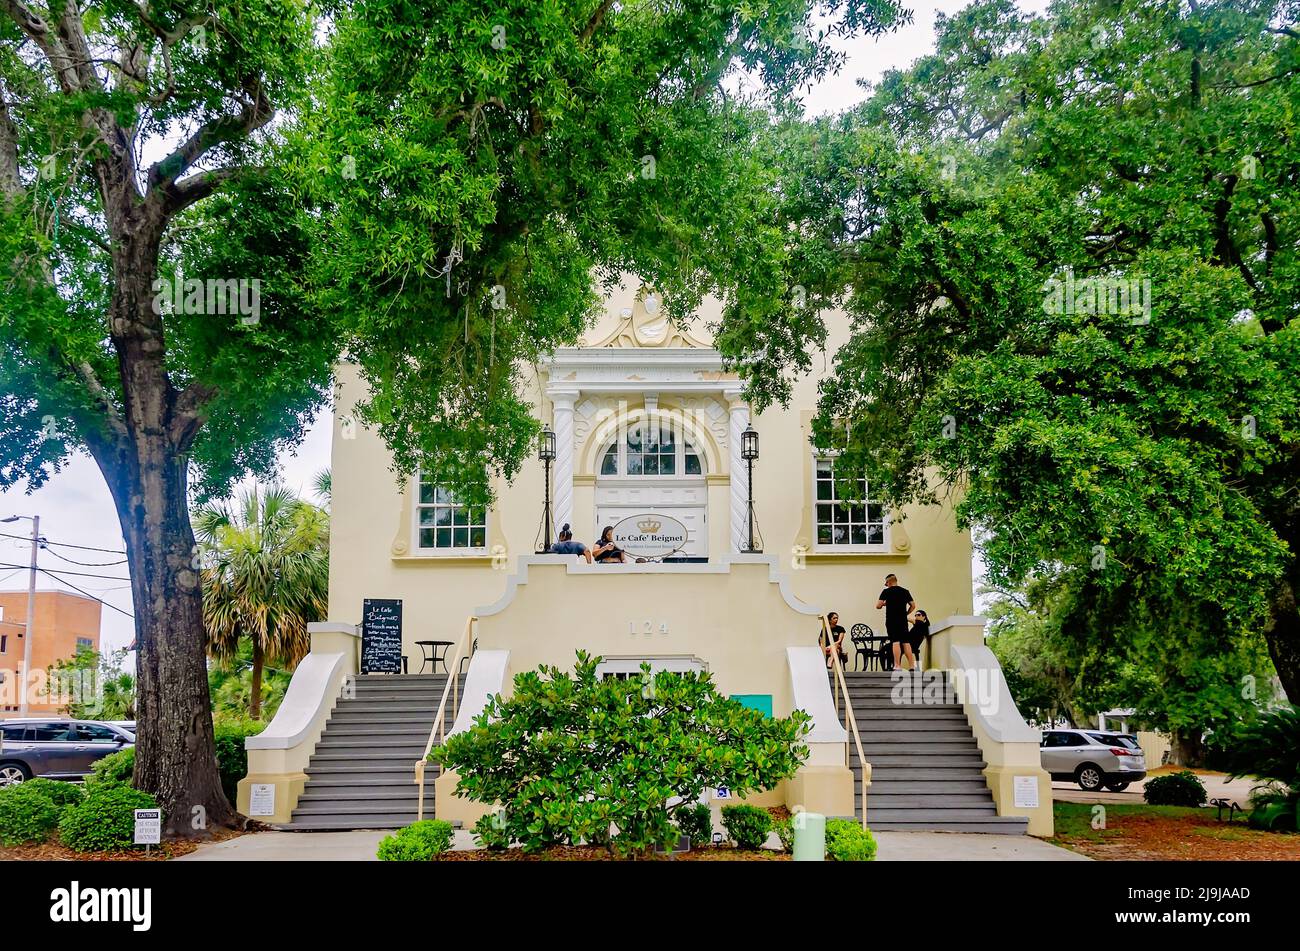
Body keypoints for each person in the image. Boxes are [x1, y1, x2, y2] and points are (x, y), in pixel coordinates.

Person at [875, 573, 916, 671]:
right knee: (906, 642)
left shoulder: (886, 591)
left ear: (889, 582)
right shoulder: (905, 591)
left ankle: (897, 665)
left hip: (891, 620)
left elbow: (878, 605)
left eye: (886, 583)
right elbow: (913, 605)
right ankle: (912, 666)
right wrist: (906, 613)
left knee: (895, 642)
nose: (886, 585)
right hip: (902, 620)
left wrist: (885, 603)